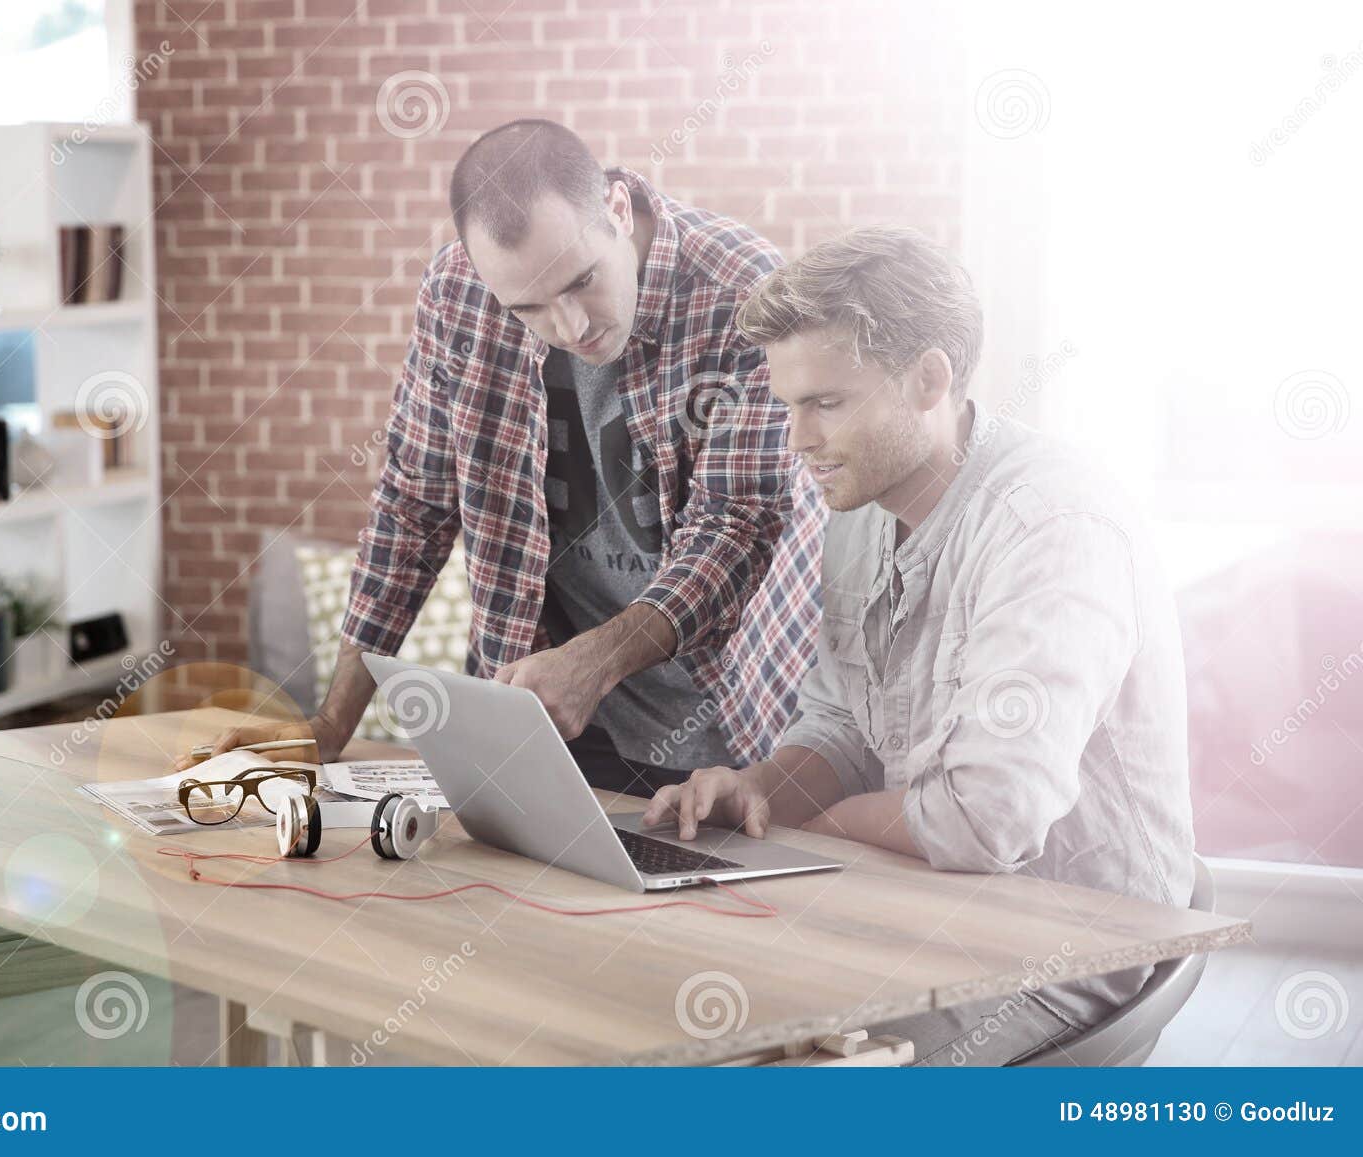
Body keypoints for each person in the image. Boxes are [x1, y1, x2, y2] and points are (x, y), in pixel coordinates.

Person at [643, 224, 1196, 1065]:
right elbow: (839, 725)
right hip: (929, 903)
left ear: (929, 378)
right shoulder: (862, 508)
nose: (798, 440)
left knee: (773, 1078)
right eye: (789, 404)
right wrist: (760, 792)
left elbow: (987, 817)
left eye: (825, 403)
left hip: (1068, 941)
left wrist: (813, 829)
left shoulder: (1049, 526)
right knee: (681, 1018)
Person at [184, 119, 825, 795]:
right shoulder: (460, 290)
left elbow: (738, 525)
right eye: (530, 309)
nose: (572, 326)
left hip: (727, 729)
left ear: (613, 207)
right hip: (547, 725)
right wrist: (329, 726)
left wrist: (596, 661)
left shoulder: (739, 288)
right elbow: (414, 506)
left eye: (582, 281)